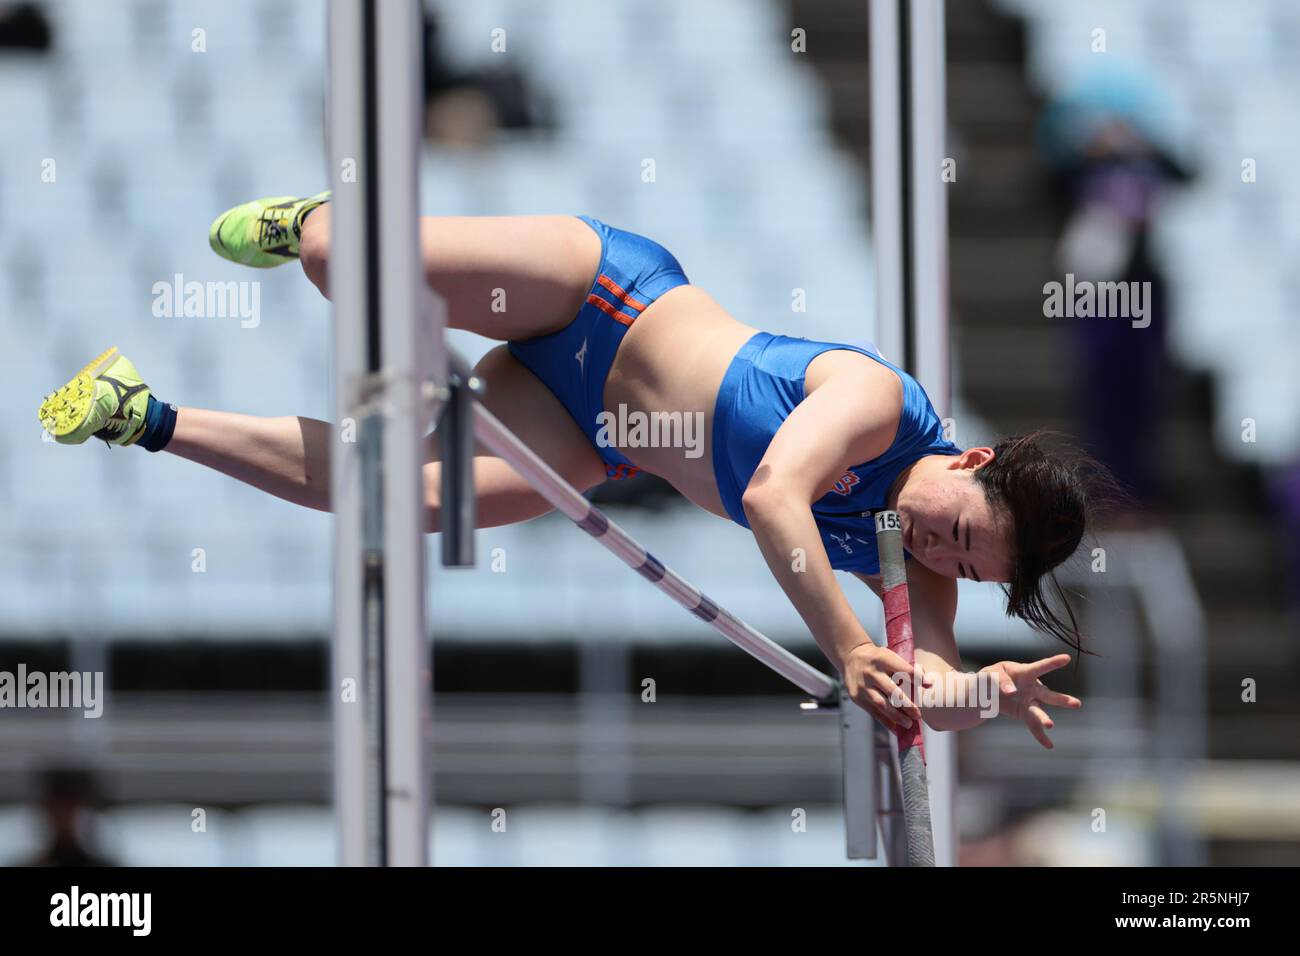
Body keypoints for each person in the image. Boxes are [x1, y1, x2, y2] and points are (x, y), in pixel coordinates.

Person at [38, 196, 1092, 745]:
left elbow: (924, 692)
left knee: (400, 496)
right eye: (958, 521)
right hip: (600, 295)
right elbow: (775, 494)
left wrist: (982, 692)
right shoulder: (880, 406)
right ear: (971, 459)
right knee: (333, 265)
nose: (937, 545)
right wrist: (856, 644)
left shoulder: (919, 568)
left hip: (590, 433)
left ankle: (143, 413)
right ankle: (307, 216)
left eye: (961, 555)